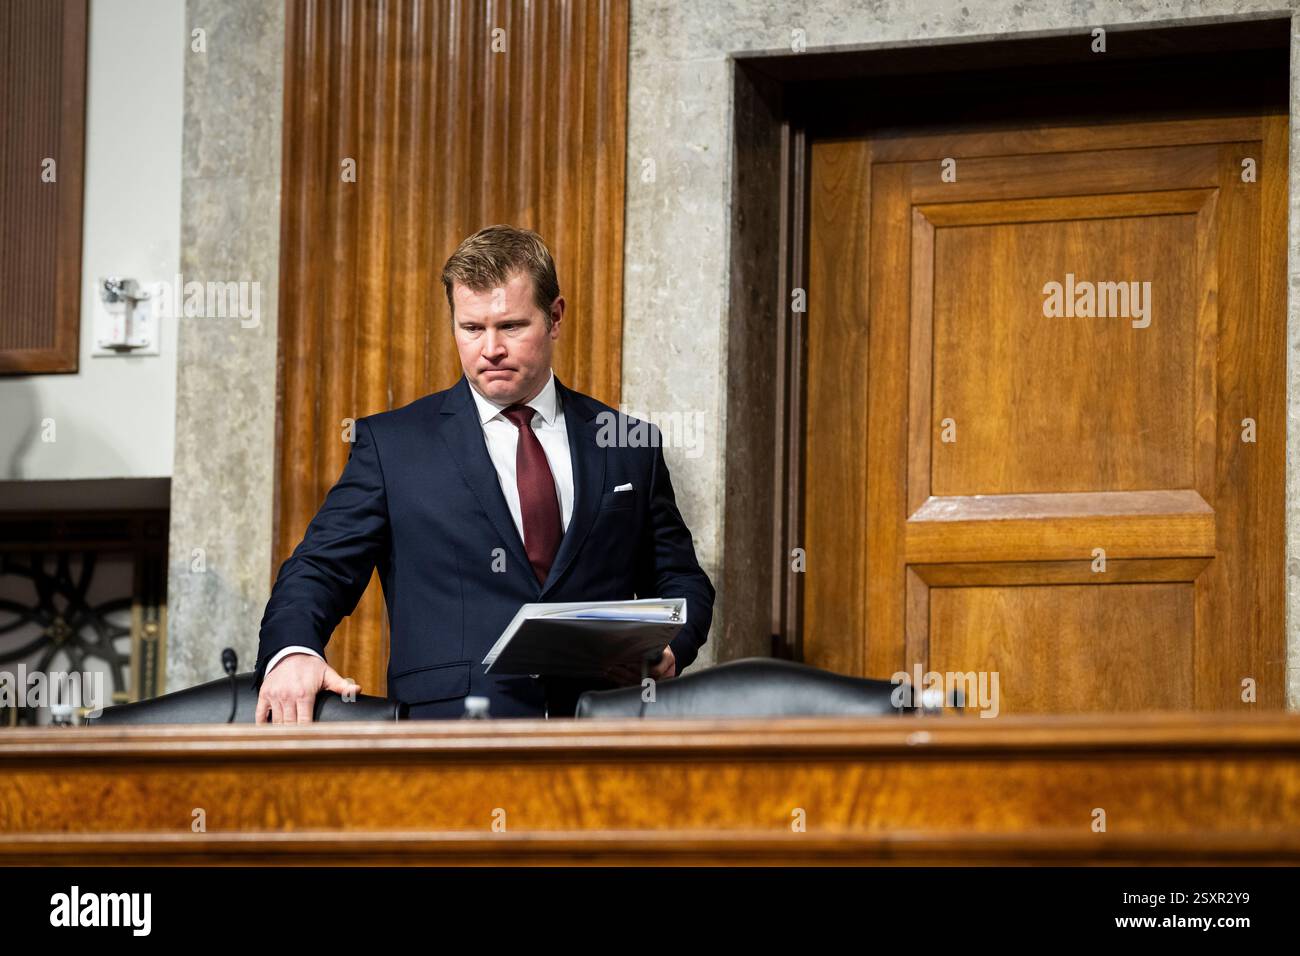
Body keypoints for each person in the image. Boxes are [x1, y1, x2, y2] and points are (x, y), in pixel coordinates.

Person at [252, 224, 714, 721]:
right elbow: (319, 567)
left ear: (555, 317)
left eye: (511, 326)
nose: (489, 348)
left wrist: (669, 649)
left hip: (603, 732)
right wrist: (294, 649)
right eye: (471, 328)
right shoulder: (393, 447)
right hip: (451, 738)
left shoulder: (628, 443)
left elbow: (681, 579)